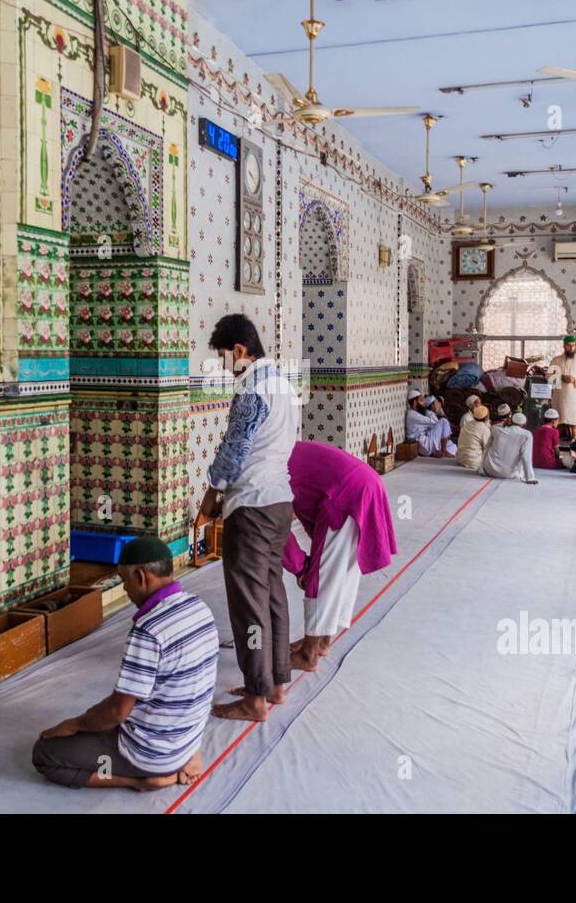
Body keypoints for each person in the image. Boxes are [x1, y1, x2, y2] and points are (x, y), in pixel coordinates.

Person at [33, 536, 218, 791]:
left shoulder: (149, 630)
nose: (125, 590)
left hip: (152, 754)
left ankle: (140, 781)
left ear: (141, 577)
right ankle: (182, 758)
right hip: (187, 739)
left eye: (124, 581)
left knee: (45, 753)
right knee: (100, 710)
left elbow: (116, 713)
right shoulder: (198, 607)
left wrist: (73, 724)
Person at [196, 314, 298, 722]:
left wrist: (209, 496)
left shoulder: (253, 387)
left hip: (252, 506)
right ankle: (274, 684)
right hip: (279, 502)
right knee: (272, 594)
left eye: (224, 357)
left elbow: (235, 449)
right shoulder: (286, 385)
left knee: (248, 604)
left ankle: (255, 698)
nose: (224, 366)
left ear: (239, 351)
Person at [277, 441, 398, 672]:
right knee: (340, 571)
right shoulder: (278, 449)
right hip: (362, 483)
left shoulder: (261, 473)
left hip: (345, 495)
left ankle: (308, 654)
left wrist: (300, 567)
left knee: (322, 576)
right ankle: (321, 641)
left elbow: (276, 528)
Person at [547, 335, 576, 440]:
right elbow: (548, 376)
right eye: (569, 346)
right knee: (559, 420)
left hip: (573, 397)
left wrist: (574, 379)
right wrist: (561, 378)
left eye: (573, 346)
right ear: (564, 346)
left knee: (573, 422)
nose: (571, 348)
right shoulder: (556, 360)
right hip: (559, 397)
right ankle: (556, 442)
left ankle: (575, 444)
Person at [482, 412, 538, 484]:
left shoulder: (496, 430)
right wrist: (530, 478)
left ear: (510, 421)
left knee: (490, 446)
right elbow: (526, 456)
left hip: (489, 470)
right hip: (508, 474)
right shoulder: (527, 435)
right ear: (524, 425)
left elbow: (492, 428)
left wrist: (503, 424)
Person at [405, 389, 455, 457]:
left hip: (428, 441)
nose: (424, 403)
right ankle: (443, 451)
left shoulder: (418, 413)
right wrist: (428, 409)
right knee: (444, 421)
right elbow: (434, 422)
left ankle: (437, 452)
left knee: (452, 446)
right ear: (414, 402)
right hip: (424, 444)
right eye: (421, 401)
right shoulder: (412, 415)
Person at [457, 404, 492, 471]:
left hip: (460, 459)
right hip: (474, 462)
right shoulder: (484, 428)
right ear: (486, 417)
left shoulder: (467, 424)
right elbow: (487, 447)